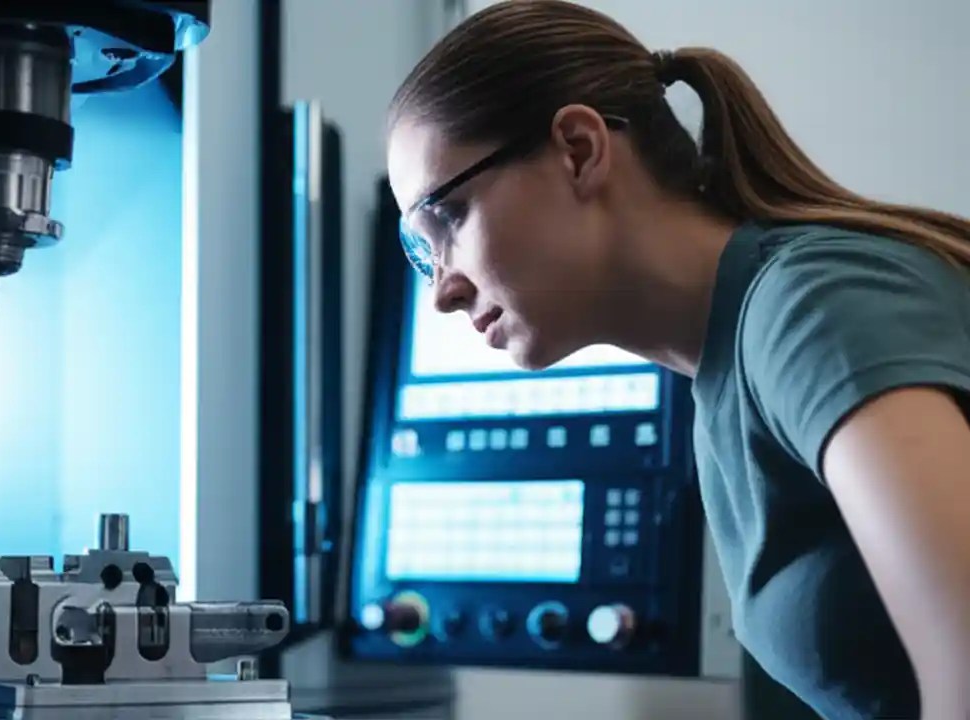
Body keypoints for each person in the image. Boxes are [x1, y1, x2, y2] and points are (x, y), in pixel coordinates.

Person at [384, 1, 970, 718]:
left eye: (445, 219)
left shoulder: (810, 308)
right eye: (420, 251)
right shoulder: (720, 382)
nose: (441, 289)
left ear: (578, 148)